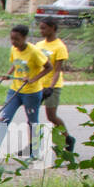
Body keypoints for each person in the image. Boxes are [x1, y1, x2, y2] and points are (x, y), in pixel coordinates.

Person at [0, 25, 53, 163]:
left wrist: (33, 79)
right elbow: (16, 64)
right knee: (4, 118)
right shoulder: (13, 49)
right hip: (15, 90)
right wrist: (8, 75)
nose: (14, 42)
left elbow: (49, 67)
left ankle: (35, 151)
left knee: (32, 121)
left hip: (31, 92)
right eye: (12, 39)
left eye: (17, 39)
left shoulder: (34, 52)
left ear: (24, 38)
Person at [36, 17, 75, 153]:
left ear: (52, 28)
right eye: (40, 28)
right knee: (32, 115)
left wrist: (51, 87)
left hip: (52, 85)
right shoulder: (39, 45)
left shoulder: (59, 47)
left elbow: (57, 70)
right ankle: (33, 145)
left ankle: (67, 138)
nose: (41, 31)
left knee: (51, 116)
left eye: (44, 28)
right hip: (38, 85)